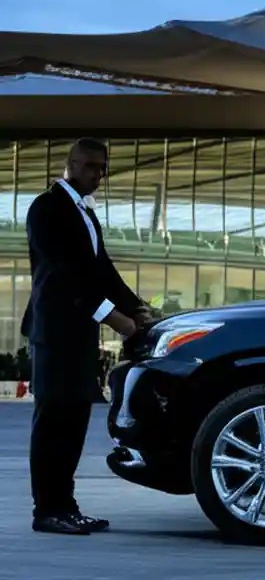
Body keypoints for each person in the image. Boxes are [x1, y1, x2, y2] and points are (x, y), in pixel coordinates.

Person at [21, 138, 151, 535]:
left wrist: (136, 307)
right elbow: (66, 278)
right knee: (53, 422)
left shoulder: (85, 214)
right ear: (71, 165)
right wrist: (117, 320)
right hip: (55, 333)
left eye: (102, 168)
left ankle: (66, 506)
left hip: (78, 335)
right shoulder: (47, 208)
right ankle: (47, 510)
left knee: (74, 420)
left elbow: (101, 270)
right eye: (91, 166)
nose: (98, 174)